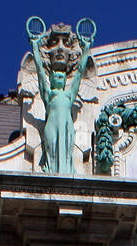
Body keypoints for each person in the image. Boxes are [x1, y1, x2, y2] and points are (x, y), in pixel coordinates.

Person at [29, 23, 94, 175]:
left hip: (67, 126)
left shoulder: (69, 95)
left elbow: (78, 74)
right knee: (52, 149)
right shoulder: (48, 95)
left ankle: (66, 170)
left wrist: (86, 51)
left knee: (66, 148)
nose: (59, 77)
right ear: (51, 79)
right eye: (56, 76)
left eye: (62, 76)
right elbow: (39, 71)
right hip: (52, 125)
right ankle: (52, 169)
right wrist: (35, 48)